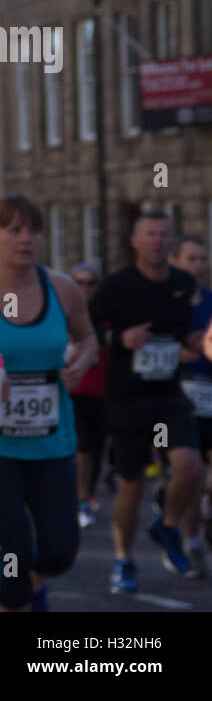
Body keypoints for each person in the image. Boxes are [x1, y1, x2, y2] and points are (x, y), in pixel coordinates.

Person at [0, 194, 98, 611]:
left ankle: (29, 586)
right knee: (14, 549)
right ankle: (15, 600)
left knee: (60, 552)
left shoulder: (62, 289)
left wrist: (81, 362)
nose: (25, 238)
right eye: (13, 229)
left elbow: (89, 339)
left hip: (52, 441)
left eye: (33, 230)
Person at [90, 211, 207, 592]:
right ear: (135, 242)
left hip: (167, 394)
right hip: (127, 398)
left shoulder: (182, 283)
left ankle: (168, 526)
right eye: (150, 234)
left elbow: (181, 332)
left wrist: (193, 342)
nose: (157, 241)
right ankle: (123, 560)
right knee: (133, 484)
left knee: (189, 467)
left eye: (163, 235)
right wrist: (119, 338)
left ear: (171, 242)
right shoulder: (117, 285)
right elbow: (87, 328)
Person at [170, 235, 211, 576]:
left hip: (209, 392)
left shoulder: (211, 301)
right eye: (191, 259)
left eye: (202, 259)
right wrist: (180, 351)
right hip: (176, 398)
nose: (198, 266)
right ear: (176, 263)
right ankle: (190, 541)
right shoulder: (168, 301)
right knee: (189, 472)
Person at [68, 263, 109, 530]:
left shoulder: (105, 316)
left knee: (94, 449)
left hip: (101, 394)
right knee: (82, 446)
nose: (85, 288)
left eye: (91, 283)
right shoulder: (62, 312)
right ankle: (81, 500)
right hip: (70, 392)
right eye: (79, 282)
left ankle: (87, 493)